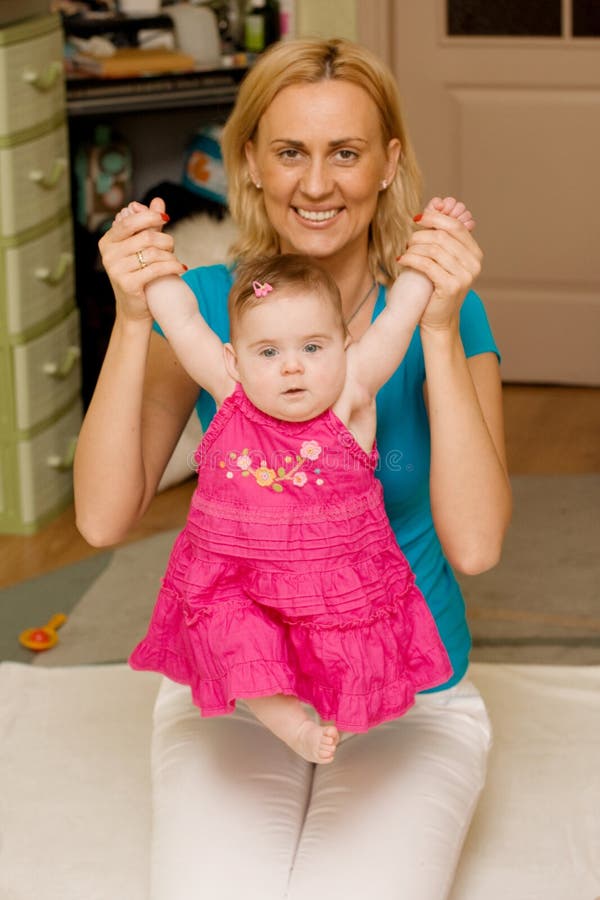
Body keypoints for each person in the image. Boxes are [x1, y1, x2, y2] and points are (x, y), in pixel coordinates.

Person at [74, 35, 511, 900]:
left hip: (407, 688)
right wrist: (131, 321)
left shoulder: (437, 312)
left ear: (388, 164)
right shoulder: (204, 307)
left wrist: (436, 325)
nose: (317, 184)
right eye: (290, 153)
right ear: (251, 163)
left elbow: (476, 547)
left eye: (345, 153)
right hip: (242, 690)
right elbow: (100, 519)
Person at [125, 200, 472, 763]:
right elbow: (183, 318)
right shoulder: (229, 389)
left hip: (330, 584)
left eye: (312, 348)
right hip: (240, 582)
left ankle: (340, 730)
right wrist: (146, 251)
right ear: (235, 360)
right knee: (234, 636)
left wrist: (436, 236)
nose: (292, 366)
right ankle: (290, 724)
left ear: (345, 348)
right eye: (269, 352)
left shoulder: (352, 392)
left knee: (348, 659)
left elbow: (402, 312)